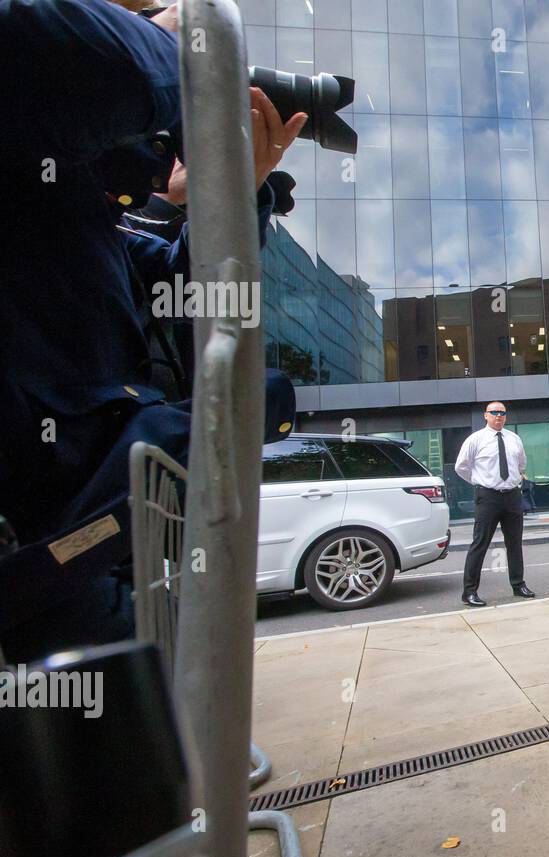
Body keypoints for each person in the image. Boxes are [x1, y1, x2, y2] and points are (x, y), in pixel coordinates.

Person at [0, 0, 303, 661]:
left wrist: (233, 190)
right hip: (47, 549)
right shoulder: (38, 50)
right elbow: (75, 61)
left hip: (84, 543)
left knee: (262, 396)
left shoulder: (76, 212)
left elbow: (195, 304)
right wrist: (190, 52)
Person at [454, 402, 536, 607]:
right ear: (485, 415)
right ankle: (469, 592)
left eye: (502, 413)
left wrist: (515, 481)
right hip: (488, 498)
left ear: (506, 416)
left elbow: (521, 464)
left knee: (515, 543)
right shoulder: (476, 439)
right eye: (494, 413)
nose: (498, 416)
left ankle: (518, 585)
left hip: (512, 497)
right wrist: (479, 481)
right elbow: (461, 466)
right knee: (480, 544)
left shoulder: (514, 439)